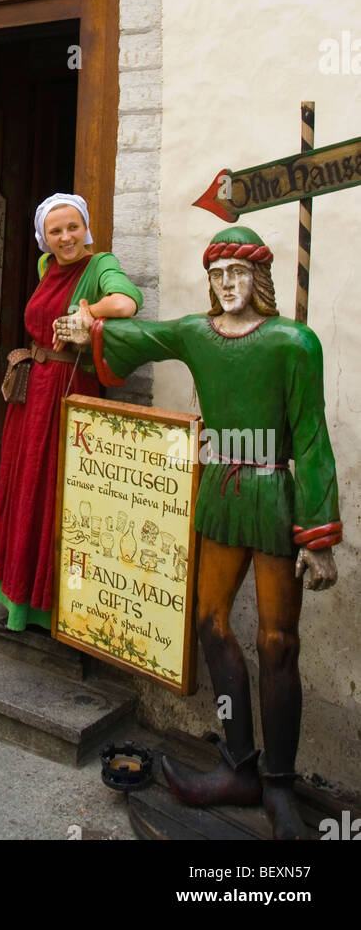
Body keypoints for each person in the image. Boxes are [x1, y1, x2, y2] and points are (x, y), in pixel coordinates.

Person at [69, 226, 341, 840]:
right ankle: (239, 762)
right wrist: (86, 327)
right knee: (211, 624)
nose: (226, 286)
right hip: (220, 490)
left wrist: (318, 539)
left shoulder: (294, 344)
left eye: (238, 275)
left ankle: (279, 784)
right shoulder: (198, 333)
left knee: (279, 644)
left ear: (259, 280)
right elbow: (140, 337)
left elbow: (312, 439)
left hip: (272, 494)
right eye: (217, 276)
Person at [0, 193, 142, 632]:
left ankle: (51, 609)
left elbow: (127, 302)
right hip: (33, 392)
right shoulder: (44, 267)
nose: (66, 237)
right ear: (44, 238)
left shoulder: (99, 264)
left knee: (55, 490)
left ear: (85, 227)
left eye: (73, 227)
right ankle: (17, 598)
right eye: (56, 231)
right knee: (24, 486)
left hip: (68, 391)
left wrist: (88, 311)